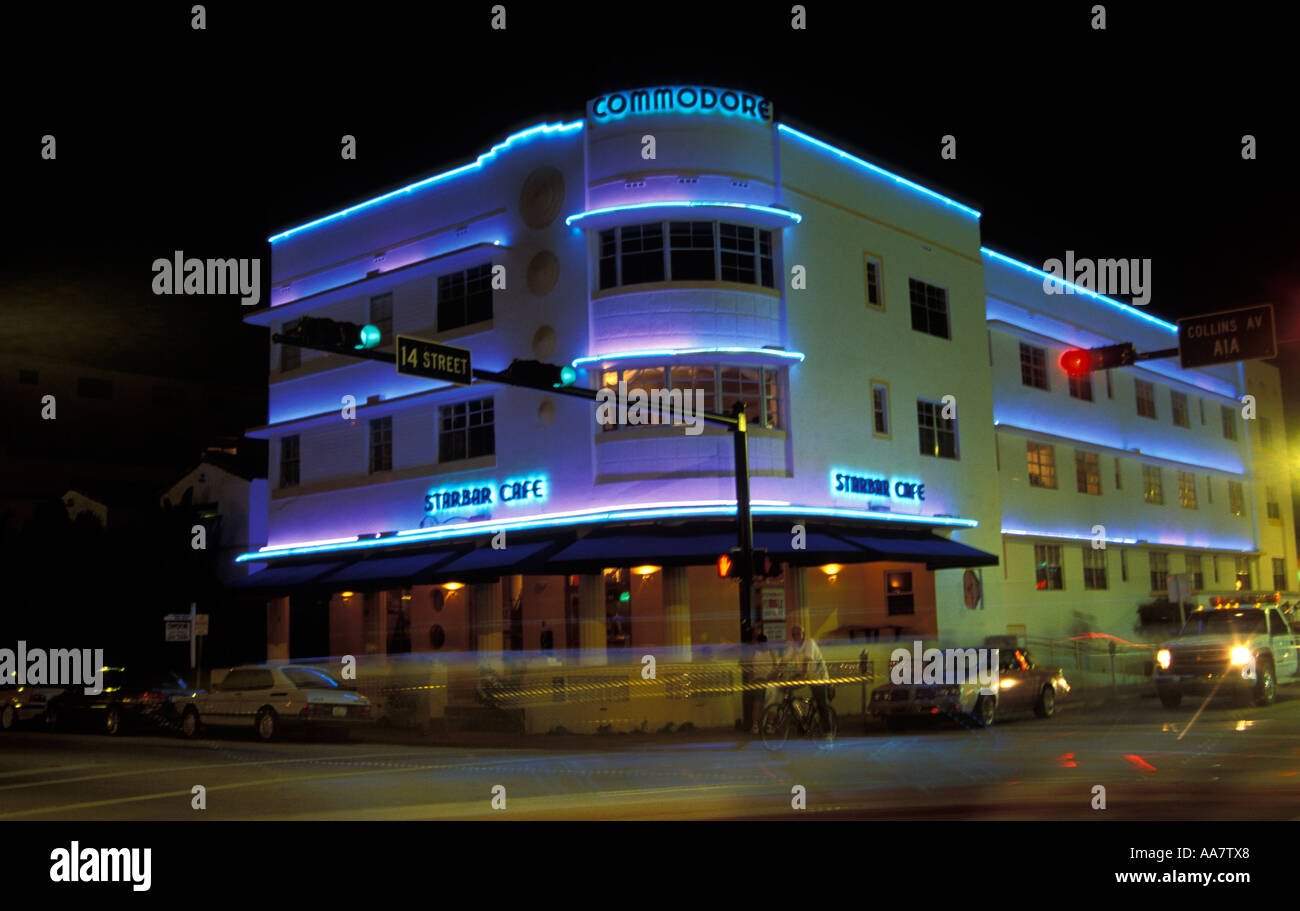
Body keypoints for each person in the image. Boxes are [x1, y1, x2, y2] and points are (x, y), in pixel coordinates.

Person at [785, 625, 833, 746]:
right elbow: (785, 659)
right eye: (794, 634)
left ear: (803, 634)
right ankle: (801, 722)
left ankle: (828, 732)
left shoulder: (809, 643)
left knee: (822, 704)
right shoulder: (793, 645)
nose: (796, 637)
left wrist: (803, 675)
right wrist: (774, 672)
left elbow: (807, 660)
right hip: (804, 676)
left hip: (819, 677)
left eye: (798, 634)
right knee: (787, 690)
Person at [750, 634, 781, 734]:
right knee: (771, 705)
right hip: (770, 682)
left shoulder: (753, 653)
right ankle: (769, 726)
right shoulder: (771, 653)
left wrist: (751, 680)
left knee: (757, 704)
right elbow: (776, 668)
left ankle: (755, 726)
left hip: (757, 681)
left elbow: (748, 667)